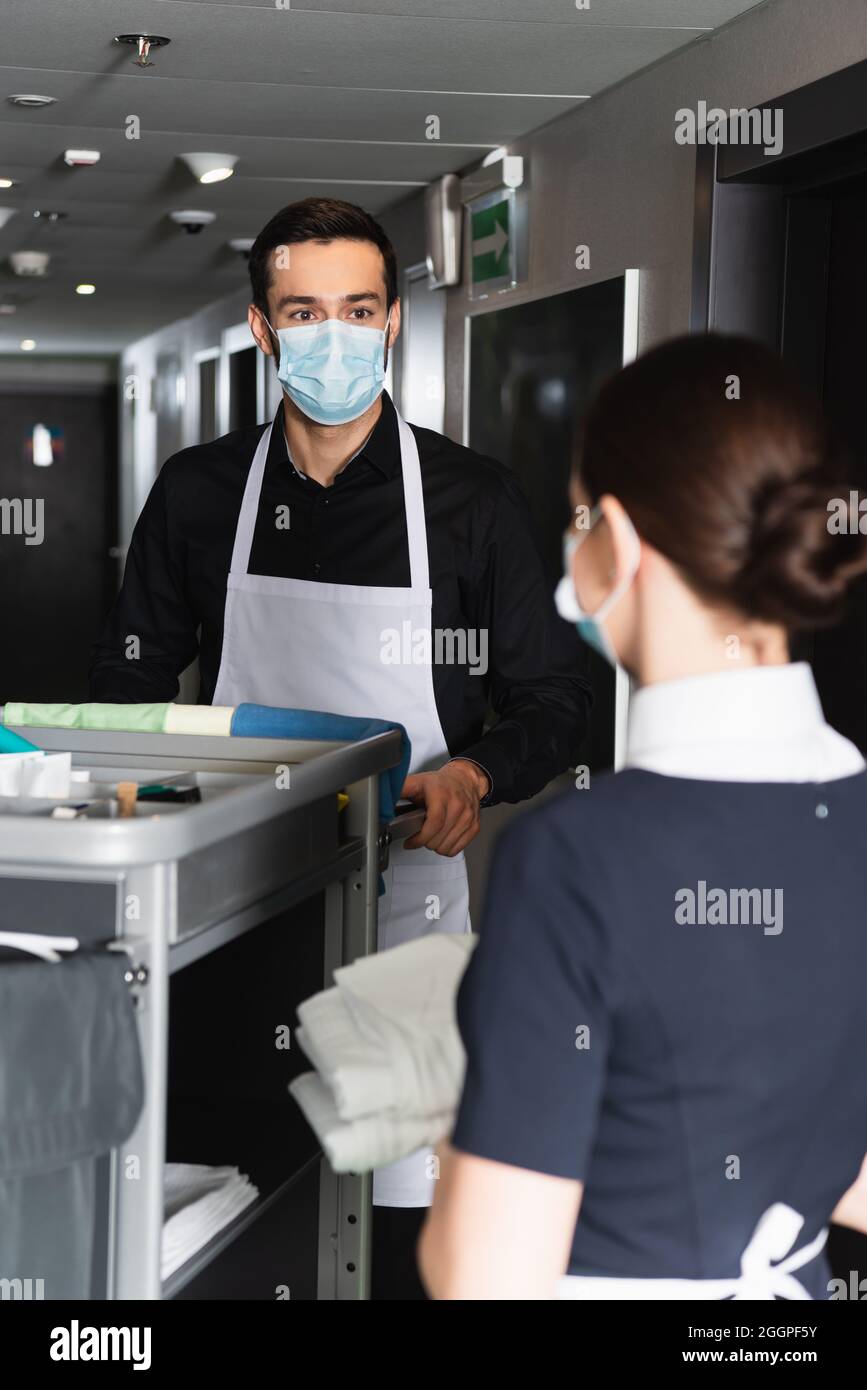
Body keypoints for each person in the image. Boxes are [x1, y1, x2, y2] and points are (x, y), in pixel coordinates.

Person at [89, 197, 591, 1298]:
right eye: (305, 312)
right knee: (229, 1200)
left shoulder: (472, 502)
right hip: (226, 919)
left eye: (358, 309)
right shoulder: (199, 495)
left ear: (395, 320)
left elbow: (558, 700)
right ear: (262, 328)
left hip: (402, 918)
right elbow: (127, 687)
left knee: (400, 1221)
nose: (334, 335)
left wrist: (475, 772)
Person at [419, 333, 867, 1300]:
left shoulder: (578, 854)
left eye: (577, 520)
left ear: (615, 542)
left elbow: (481, 1277)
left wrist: (456, 1112)